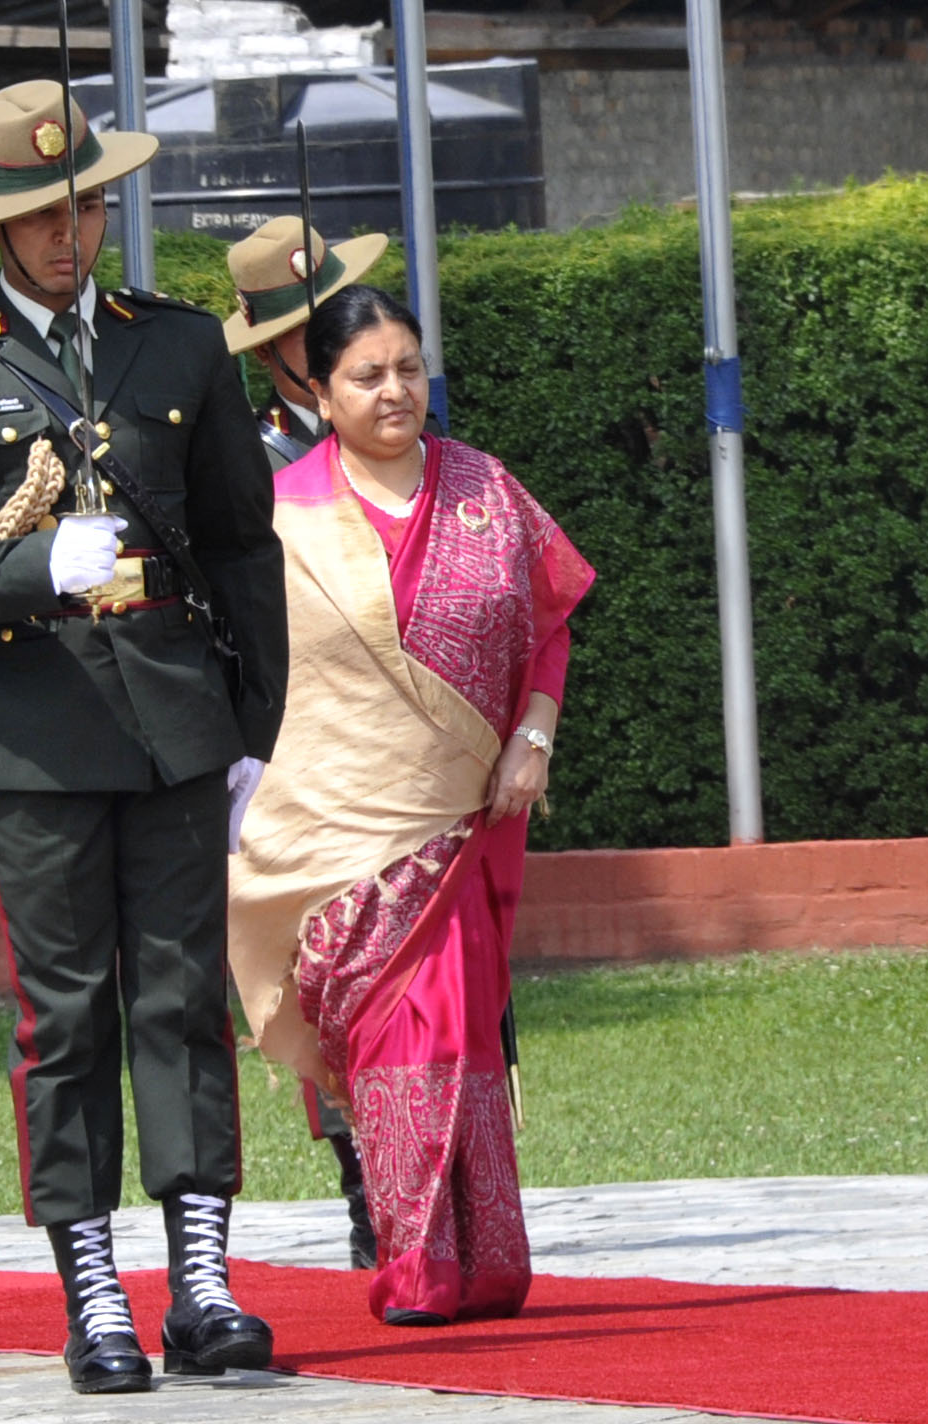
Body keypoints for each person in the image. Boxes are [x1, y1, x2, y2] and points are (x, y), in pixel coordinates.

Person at [0, 80, 289, 1392]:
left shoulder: (176, 348)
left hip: (171, 721)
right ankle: (94, 1288)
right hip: (32, 733)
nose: (72, 234)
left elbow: (236, 540)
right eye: (47, 214)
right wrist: (46, 558)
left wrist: (259, 728)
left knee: (180, 995)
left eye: (89, 203)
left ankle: (204, 1280)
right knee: (68, 1013)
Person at [226, 285, 594, 1324]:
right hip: (339, 831)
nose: (394, 391)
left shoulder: (485, 487)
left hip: (468, 816)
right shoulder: (282, 512)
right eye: (366, 374)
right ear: (319, 388)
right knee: (399, 1033)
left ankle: (488, 1261)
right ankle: (418, 1267)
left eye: (408, 368)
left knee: (464, 1030)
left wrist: (534, 733)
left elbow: (551, 615)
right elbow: (246, 667)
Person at [217, 216, 391, 1268]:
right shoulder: (248, 459)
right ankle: (370, 1182)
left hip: (410, 744)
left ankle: (449, 1165)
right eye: (306, 328)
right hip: (303, 748)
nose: (331, 340)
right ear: (275, 351)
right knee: (332, 972)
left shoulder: (395, 433)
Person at [220, 215, 390, 474]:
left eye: (343, 319)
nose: (337, 340)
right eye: (310, 329)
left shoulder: (405, 424)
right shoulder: (249, 461)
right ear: (264, 350)